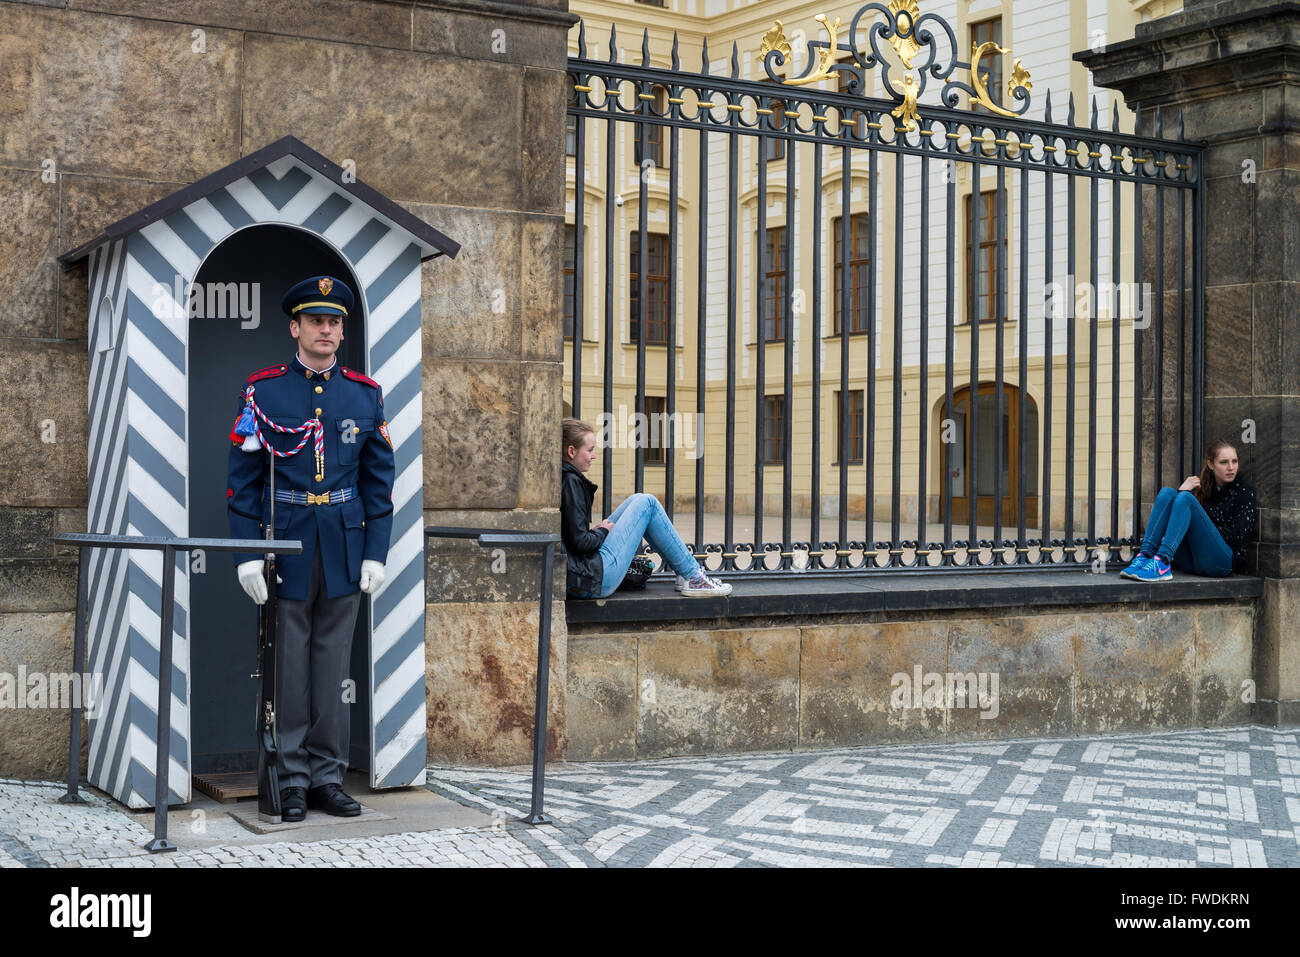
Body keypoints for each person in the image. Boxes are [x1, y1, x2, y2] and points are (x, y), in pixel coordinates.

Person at [226, 275, 396, 821]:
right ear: (295, 327)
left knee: (332, 667)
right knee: (289, 670)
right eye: (316, 320)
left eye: (335, 321)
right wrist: (248, 552)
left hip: (344, 544)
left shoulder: (364, 394)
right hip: (288, 545)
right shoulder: (263, 390)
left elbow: (379, 484)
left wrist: (377, 551)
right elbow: (243, 483)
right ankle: (292, 780)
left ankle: (328, 776)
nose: (327, 329)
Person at [561, 417, 731, 598]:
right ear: (572, 451)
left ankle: (686, 574)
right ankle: (693, 577)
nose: (594, 455)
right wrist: (602, 532)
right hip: (593, 580)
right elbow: (580, 544)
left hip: (584, 576)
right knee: (647, 503)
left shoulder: (564, 477)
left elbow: (573, 538)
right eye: (590, 450)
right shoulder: (571, 481)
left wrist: (595, 532)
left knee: (638, 499)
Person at [1121, 439, 1256, 582]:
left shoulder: (1244, 491)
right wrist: (1181, 490)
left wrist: (1202, 524)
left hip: (1220, 562)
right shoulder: (1203, 489)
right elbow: (1178, 520)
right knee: (1167, 493)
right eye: (1224, 462)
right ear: (1211, 464)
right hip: (1191, 561)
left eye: (1234, 461)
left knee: (1185, 498)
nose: (1231, 467)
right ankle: (1145, 556)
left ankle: (1163, 561)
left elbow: (1239, 536)